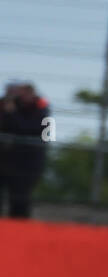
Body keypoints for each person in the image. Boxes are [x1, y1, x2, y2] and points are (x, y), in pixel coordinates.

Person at [0, 82, 52, 218]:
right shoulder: (9, 105)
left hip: (30, 161)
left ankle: (20, 229)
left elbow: (29, 129)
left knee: (20, 197)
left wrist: (12, 113)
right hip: (7, 158)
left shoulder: (41, 107)